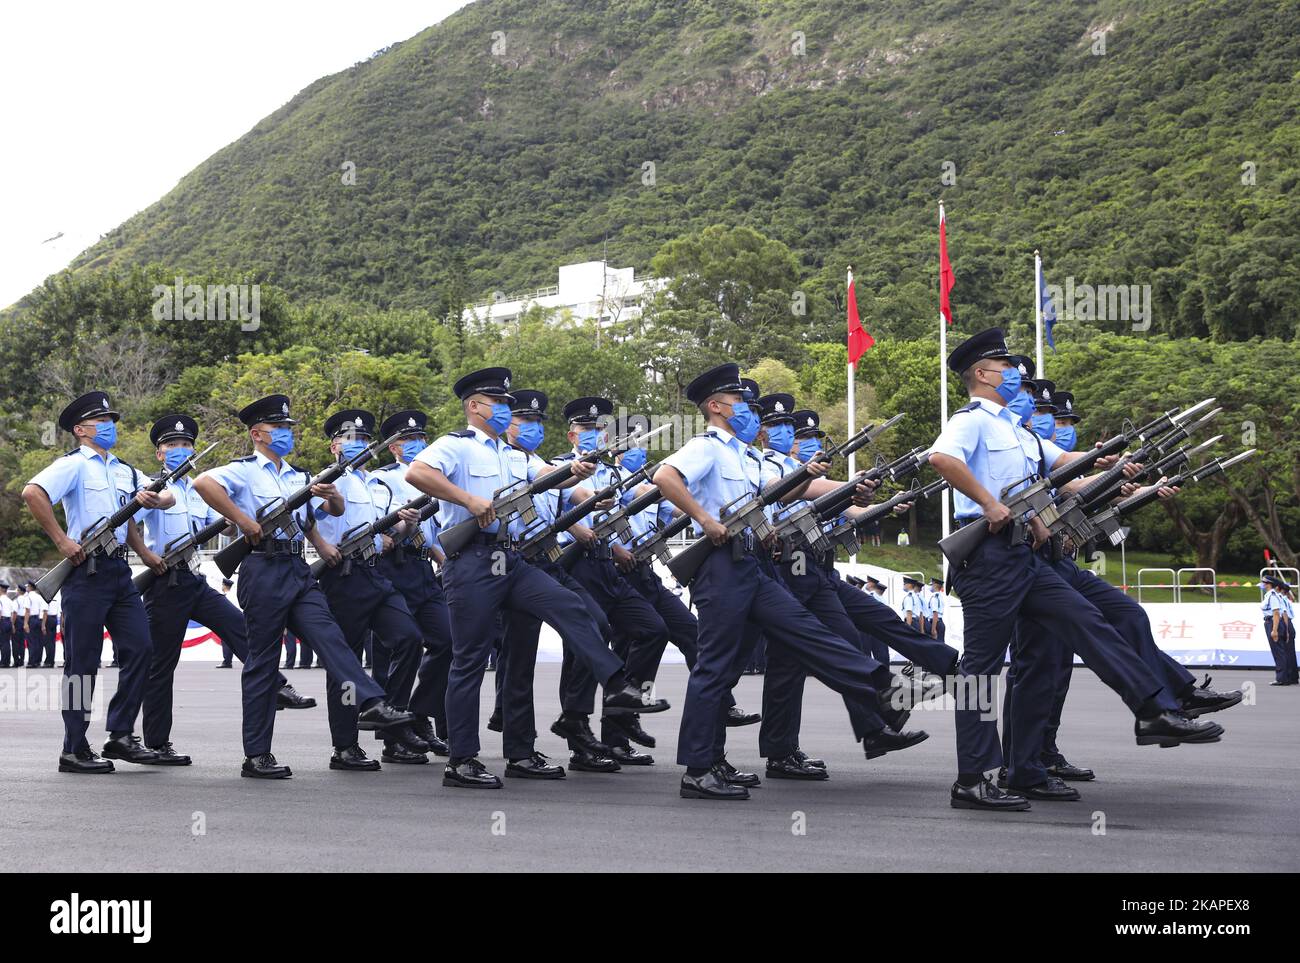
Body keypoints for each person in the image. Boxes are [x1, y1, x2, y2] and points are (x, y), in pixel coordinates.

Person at [927, 328, 1223, 812]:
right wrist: (988, 503)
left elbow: (1068, 468)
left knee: (1090, 621)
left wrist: (1115, 467)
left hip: (1025, 554)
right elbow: (940, 457)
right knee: (980, 671)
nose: (1015, 374)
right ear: (982, 374)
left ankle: (1153, 711)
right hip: (989, 559)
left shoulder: (1018, 431)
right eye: (1005, 367)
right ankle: (972, 780)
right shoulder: (972, 421)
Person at [653, 364, 927, 800]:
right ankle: (699, 769)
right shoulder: (705, 447)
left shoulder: (745, 456)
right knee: (715, 668)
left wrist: (848, 488)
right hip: (721, 567)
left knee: (805, 630)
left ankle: (883, 687)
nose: (747, 410)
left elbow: (786, 491)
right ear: (717, 406)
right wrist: (705, 519)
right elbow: (664, 476)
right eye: (739, 401)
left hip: (753, 566)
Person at [405, 367, 668, 789]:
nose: (507, 410)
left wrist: (575, 473)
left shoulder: (516, 457)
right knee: (469, 661)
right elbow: (417, 473)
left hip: (513, 561)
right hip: (472, 562)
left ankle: (613, 687)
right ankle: (462, 759)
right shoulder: (456, 445)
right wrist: (468, 498)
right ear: (475, 407)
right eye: (501, 404)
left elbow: (545, 477)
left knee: (570, 606)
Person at [193, 394, 413, 778]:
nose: (286, 434)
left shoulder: (297, 477)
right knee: (263, 662)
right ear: (257, 433)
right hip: (262, 568)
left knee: (332, 639)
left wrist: (331, 512)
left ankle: (372, 702)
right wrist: (243, 520)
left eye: (287, 429)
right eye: (278, 428)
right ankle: (257, 754)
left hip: (296, 567)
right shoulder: (244, 471)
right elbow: (203, 482)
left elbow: (317, 518)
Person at [136, 414, 315, 765]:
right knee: (162, 667)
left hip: (194, 580)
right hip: (163, 583)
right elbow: (139, 515)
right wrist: (145, 554)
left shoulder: (198, 491)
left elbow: (225, 530)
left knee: (238, 625)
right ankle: (157, 744)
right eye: (172, 446)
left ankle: (276, 685)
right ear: (159, 454)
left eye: (186, 445)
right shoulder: (151, 488)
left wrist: (237, 520)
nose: (180, 450)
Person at [22, 391, 161, 773]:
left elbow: (157, 499)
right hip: (86, 571)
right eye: (101, 422)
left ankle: (119, 734)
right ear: (80, 430)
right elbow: (33, 492)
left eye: (111, 420)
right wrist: (62, 541)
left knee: (141, 649)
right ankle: (74, 748)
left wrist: (155, 502)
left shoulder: (124, 470)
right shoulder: (74, 465)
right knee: (82, 663)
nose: (110, 427)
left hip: (118, 571)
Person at [553, 396, 669, 769]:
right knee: (586, 644)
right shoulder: (558, 467)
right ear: (572, 434)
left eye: (601, 429)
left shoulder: (614, 474)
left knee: (652, 629)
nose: (596, 435)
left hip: (608, 566)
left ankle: (622, 704)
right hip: (577, 564)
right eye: (588, 429)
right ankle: (578, 734)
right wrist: (583, 521)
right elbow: (562, 507)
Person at [312, 408, 427, 767]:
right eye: (351, 440)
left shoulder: (373, 484)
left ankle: (391, 719)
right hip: (342, 576)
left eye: (363, 439)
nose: (359, 445)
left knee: (409, 638)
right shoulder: (327, 479)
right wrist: (320, 545)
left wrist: (406, 525)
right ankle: (345, 746)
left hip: (375, 573)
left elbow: (391, 533)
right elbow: (303, 518)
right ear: (334, 446)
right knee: (347, 661)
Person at [371, 409, 451, 755]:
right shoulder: (382, 480)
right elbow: (378, 530)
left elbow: (431, 534)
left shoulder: (433, 478)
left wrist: (441, 557)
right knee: (399, 647)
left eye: (421, 438)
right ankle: (394, 732)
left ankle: (418, 714)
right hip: (393, 568)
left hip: (422, 570)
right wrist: (402, 526)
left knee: (447, 641)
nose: (418, 444)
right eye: (409, 440)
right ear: (394, 448)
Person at [1263, 574, 1297, 686]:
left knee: (1279, 652)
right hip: (1282, 624)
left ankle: (1282, 678)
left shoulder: (1272, 596)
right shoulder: (1276, 596)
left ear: (1270, 585)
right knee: (1285, 652)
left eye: (1265, 583)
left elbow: (1277, 613)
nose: (1263, 585)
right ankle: (1288, 676)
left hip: (1274, 623)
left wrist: (1274, 630)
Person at [0, 582, 14, 667]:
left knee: (2, 643)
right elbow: (12, 613)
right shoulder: (9, 600)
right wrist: (12, 624)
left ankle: (4, 662)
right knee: (7, 642)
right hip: (8, 621)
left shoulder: (0, 599)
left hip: (2, 621)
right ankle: (6, 661)